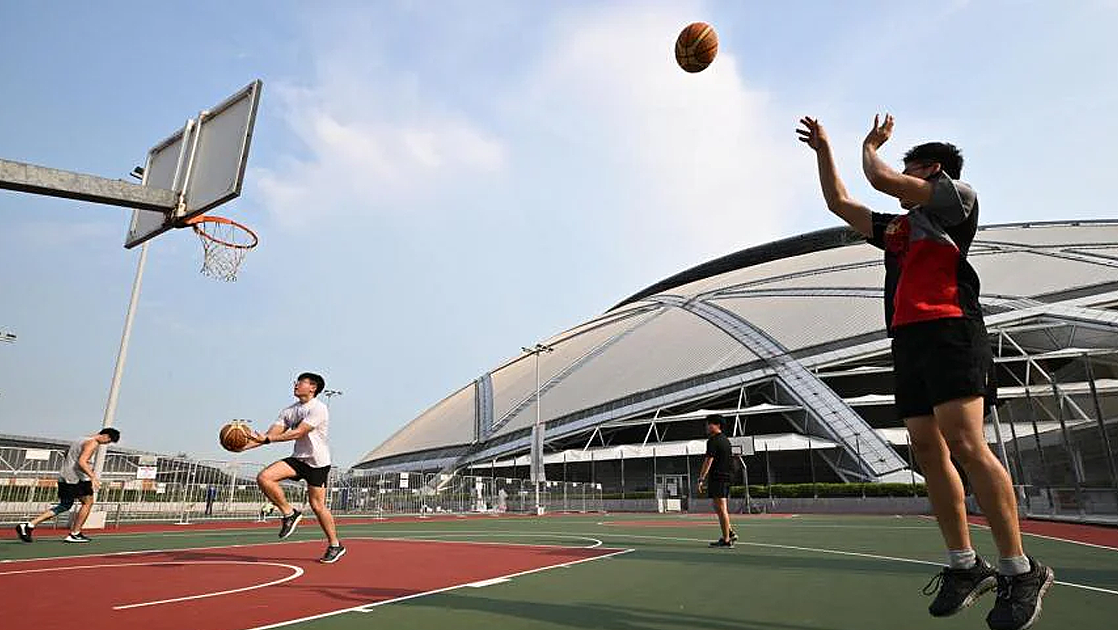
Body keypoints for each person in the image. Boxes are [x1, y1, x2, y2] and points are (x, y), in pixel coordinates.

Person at [797, 114, 1053, 630]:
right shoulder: (898, 230)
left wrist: (870, 147)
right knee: (927, 448)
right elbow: (840, 204)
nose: (901, 178)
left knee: (965, 442)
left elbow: (879, 178)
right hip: (909, 339)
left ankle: (1020, 568)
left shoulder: (956, 198)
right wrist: (825, 151)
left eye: (911, 167)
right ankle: (964, 563)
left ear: (930, 170)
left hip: (952, 328)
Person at [242, 372, 345, 563]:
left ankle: (335, 545)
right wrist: (244, 446)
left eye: (301, 382)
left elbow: (298, 433)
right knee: (264, 477)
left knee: (317, 505)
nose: (296, 385)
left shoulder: (319, 408)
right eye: (296, 382)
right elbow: (271, 434)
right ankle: (290, 513)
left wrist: (267, 438)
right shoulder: (289, 411)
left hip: (317, 462)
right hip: (299, 459)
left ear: (312, 388)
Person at [15, 428, 121, 543]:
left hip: (65, 475)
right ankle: (75, 533)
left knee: (65, 505)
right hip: (77, 478)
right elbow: (82, 461)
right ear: (106, 436)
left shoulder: (81, 439)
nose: (107, 443)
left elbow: (67, 454)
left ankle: (29, 525)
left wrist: (70, 466)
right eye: (109, 441)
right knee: (88, 502)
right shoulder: (93, 443)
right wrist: (93, 476)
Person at [697, 415, 737, 548]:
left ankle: (726, 540)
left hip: (719, 477)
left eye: (709, 424)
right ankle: (729, 532)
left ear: (717, 425)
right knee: (717, 506)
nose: (707, 427)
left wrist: (701, 478)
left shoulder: (713, 441)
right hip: (725, 477)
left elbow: (708, 460)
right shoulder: (726, 440)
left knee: (721, 508)